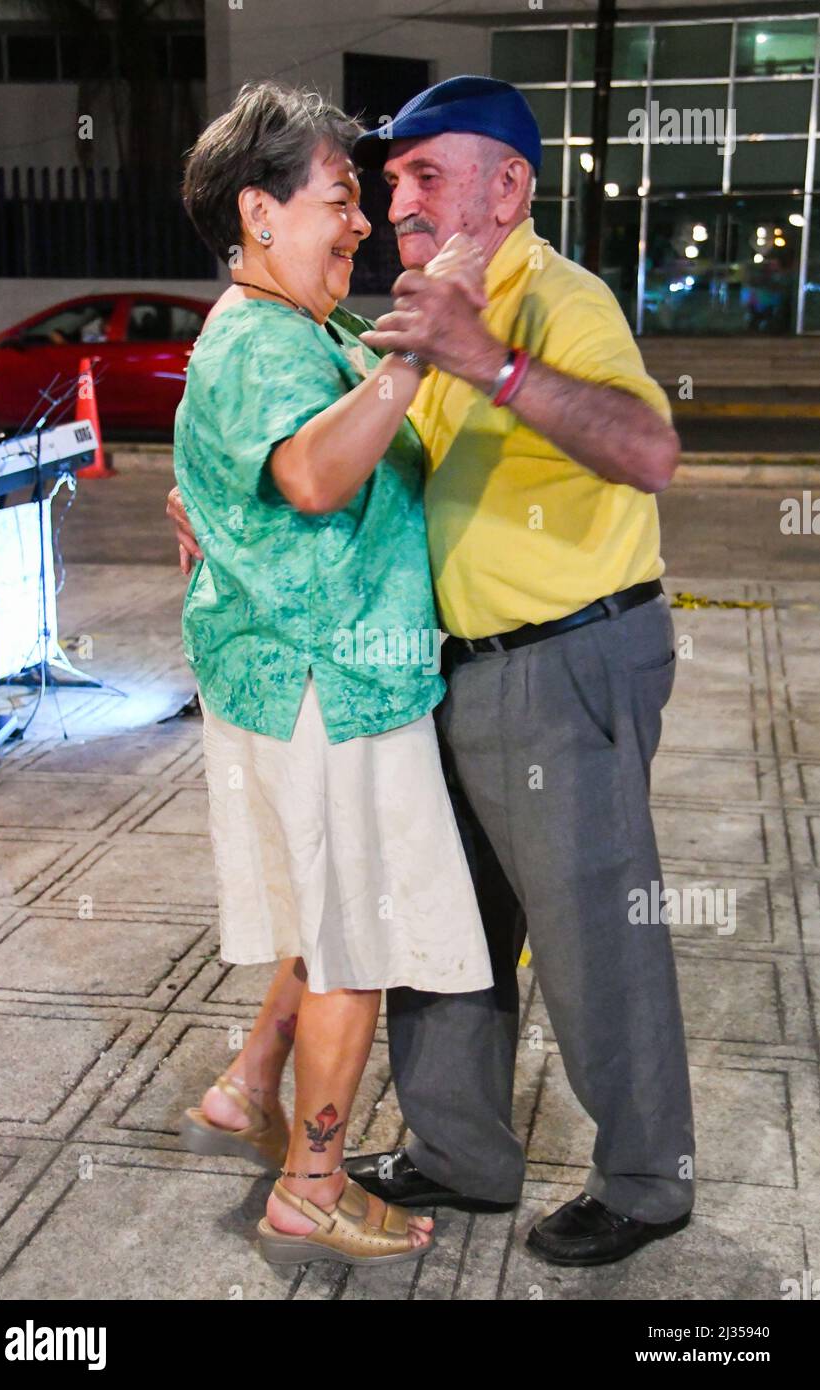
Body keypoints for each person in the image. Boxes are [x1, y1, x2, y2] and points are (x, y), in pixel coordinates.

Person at [169, 75, 695, 1269]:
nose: (394, 202)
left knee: (586, 928)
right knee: (435, 923)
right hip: (428, 669)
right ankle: (461, 1152)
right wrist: (200, 488)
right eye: (381, 180)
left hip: (561, 657)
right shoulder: (382, 309)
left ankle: (644, 1177)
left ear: (508, 185)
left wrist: (492, 362)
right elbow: (283, 433)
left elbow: (649, 447)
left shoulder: (560, 300)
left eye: (422, 174)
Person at [172, 79, 495, 1269]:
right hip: (330, 684)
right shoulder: (263, 334)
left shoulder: (293, 325)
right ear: (260, 213)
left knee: (325, 910)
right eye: (338, 198)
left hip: (309, 673)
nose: (358, 222)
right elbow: (311, 474)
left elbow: (245, 472)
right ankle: (311, 1182)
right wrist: (412, 361)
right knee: (355, 938)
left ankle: (251, 1084)